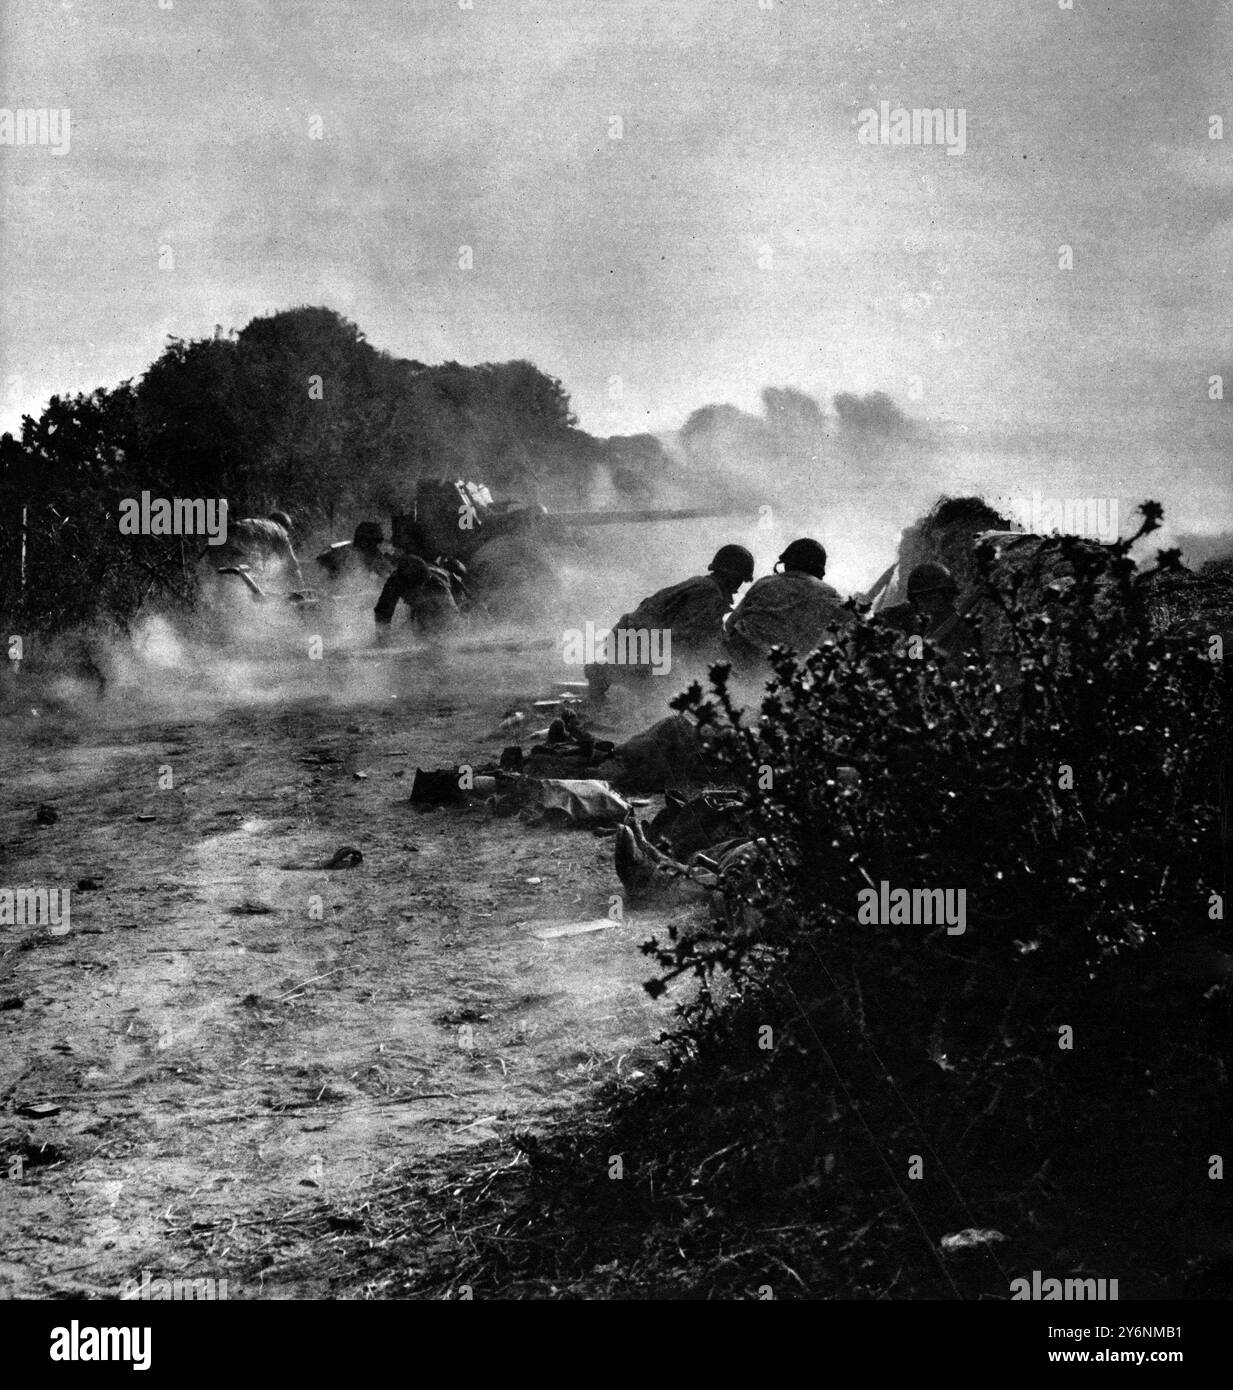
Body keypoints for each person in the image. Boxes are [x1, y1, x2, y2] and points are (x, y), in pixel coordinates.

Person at [585, 544, 756, 701]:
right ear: (731, 577)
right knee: (667, 694)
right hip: (636, 644)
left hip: (631, 639)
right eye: (739, 579)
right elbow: (687, 640)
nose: (738, 585)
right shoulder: (708, 592)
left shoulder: (704, 586)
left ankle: (607, 676)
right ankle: (604, 674)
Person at [724, 537, 849, 673]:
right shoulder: (828, 594)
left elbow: (730, 623)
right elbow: (858, 623)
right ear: (819, 570)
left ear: (786, 564)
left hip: (738, 656)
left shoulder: (764, 583)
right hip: (779, 670)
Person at [879, 561, 980, 671]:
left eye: (934, 597)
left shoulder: (960, 630)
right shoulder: (905, 613)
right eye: (923, 598)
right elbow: (879, 621)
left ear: (946, 596)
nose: (928, 603)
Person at [373, 552, 460, 641]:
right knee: (422, 630)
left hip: (446, 590)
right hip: (425, 596)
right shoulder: (394, 583)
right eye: (414, 591)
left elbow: (452, 615)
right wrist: (382, 639)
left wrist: (449, 637)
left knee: (434, 627)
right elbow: (382, 612)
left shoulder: (438, 584)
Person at [214, 512, 303, 588]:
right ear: (285, 526)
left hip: (224, 534)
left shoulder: (260, 524)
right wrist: (301, 588)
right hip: (245, 538)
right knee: (257, 573)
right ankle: (257, 596)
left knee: (219, 574)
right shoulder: (280, 531)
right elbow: (292, 565)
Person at [316, 520, 395, 584]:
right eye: (374, 542)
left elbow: (390, 573)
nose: (376, 547)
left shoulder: (376, 556)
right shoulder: (344, 551)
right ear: (364, 542)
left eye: (377, 542)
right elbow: (320, 560)